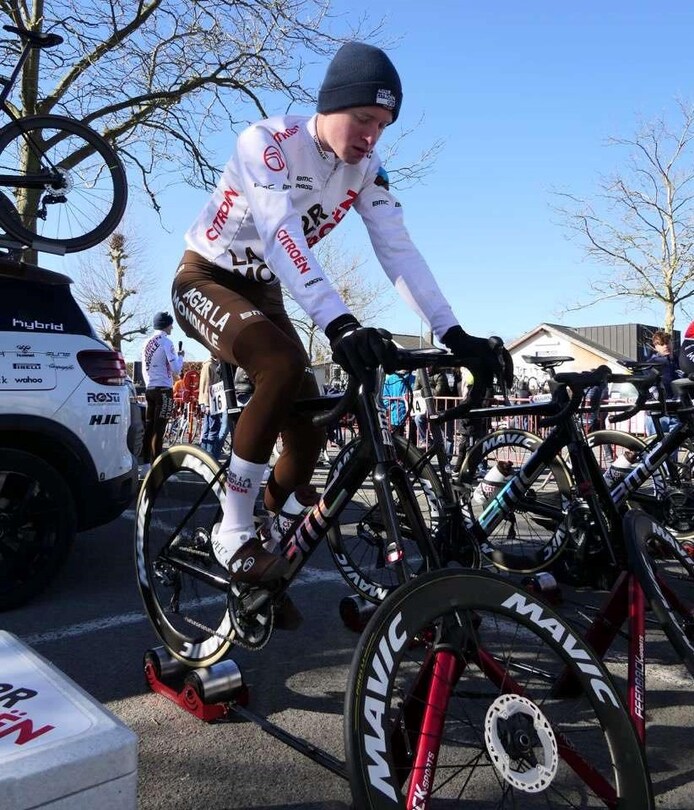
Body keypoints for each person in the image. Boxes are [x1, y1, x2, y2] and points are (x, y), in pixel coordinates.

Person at [171, 41, 510, 585]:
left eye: (384, 124)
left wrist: (454, 332)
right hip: (207, 277)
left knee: (308, 425)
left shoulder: (368, 170)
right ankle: (231, 532)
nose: (372, 135)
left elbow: (398, 248)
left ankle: (273, 539)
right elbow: (281, 236)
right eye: (364, 118)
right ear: (329, 105)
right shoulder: (267, 143)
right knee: (280, 365)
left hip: (265, 293)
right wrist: (340, 322)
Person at [141, 311, 185, 473]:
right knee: (159, 430)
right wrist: (181, 358)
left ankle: (145, 465)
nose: (172, 327)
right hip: (164, 390)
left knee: (149, 427)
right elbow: (176, 369)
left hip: (150, 388)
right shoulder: (166, 342)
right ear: (166, 325)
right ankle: (157, 468)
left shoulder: (146, 342)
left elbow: (145, 367)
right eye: (171, 324)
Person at [645, 330, 680, 436]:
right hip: (657, 412)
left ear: (672, 343)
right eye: (662, 344)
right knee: (657, 448)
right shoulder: (650, 365)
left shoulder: (680, 362)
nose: (666, 346)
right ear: (655, 346)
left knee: (673, 448)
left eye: (668, 342)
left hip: (676, 411)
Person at [198, 353, 223, 458]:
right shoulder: (209, 365)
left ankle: (204, 456)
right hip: (211, 402)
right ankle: (208, 456)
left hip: (213, 401)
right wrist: (206, 404)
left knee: (208, 429)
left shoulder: (214, 365)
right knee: (212, 429)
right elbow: (205, 385)